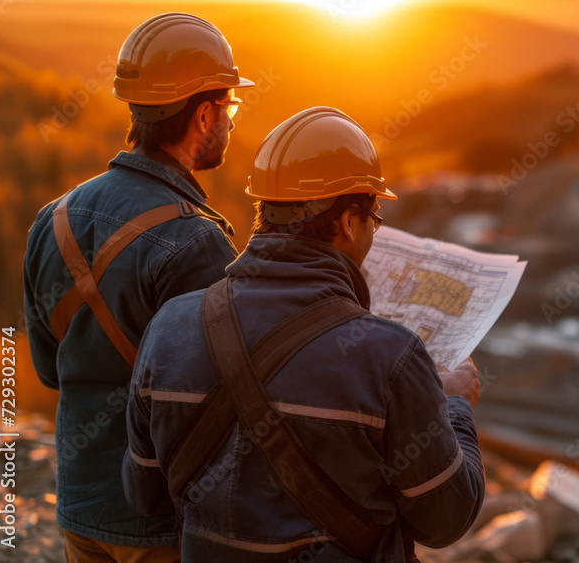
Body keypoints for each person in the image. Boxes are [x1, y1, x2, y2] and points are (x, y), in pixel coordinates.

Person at [123, 107, 485, 561]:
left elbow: (145, 495)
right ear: (350, 222)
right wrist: (453, 406)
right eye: (374, 218)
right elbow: (445, 519)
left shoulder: (169, 326)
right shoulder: (390, 355)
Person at [22, 12, 254, 561]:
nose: (232, 120)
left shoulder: (51, 219)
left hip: (80, 507)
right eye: (231, 107)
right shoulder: (196, 241)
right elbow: (226, 397)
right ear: (203, 114)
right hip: (161, 522)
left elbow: (45, 369)